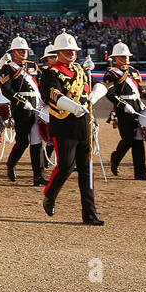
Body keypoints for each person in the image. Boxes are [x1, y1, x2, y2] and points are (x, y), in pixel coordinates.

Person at [41, 33, 104, 225]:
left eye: (73, 51)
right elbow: (52, 95)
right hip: (64, 125)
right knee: (66, 166)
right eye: (67, 51)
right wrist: (73, 106)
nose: (71, 53)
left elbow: (91, 90)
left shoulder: (80, 70)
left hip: (83, 125)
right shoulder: (51, 72)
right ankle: (50, 195)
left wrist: (94, 96)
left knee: (86, 170)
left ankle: (89, 213)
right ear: (58, 52)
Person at [0, 37, 46, 185]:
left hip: (36, 105)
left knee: (37, 142)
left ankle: (38, 176)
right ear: (13, 52)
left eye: (25, 50)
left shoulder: (33, 65)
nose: (24, 52)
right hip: (21, 108)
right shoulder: (8, 68)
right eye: (20, 50)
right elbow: (6, 90)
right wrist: (20, 100)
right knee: (22, 141)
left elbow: (41, 85)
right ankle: (11, 164)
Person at [105, 42, 146, 181]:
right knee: (128, 138)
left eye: (127, 56)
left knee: (138, 139)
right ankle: (116, 158)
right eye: (122, 56)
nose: (126, 58)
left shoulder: (132, 71)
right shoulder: (111, 73)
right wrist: (122, 104)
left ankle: (140, 172)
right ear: (116, 58)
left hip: (137, 106)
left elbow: (139, 90)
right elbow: (109, 93)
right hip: (124, 109)